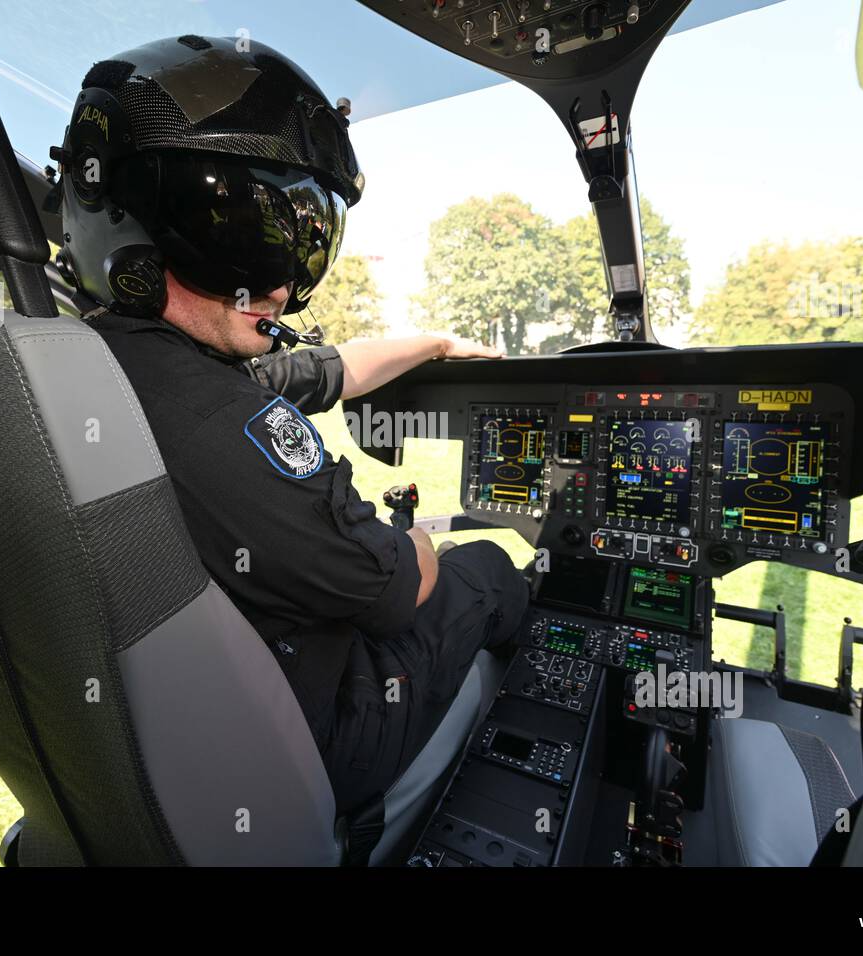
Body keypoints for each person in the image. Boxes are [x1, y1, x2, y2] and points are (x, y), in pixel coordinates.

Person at [48, 35, 530, 816]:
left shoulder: (106, 366)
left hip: (164, 738)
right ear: (145, 221)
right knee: (486, 567)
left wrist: (435, 343)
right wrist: (417, 541)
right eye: (244, 236)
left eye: (300, 245)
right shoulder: (221, 423)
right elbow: (400, 590)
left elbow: (320, 370)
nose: (276, 283)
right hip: (311, 743)